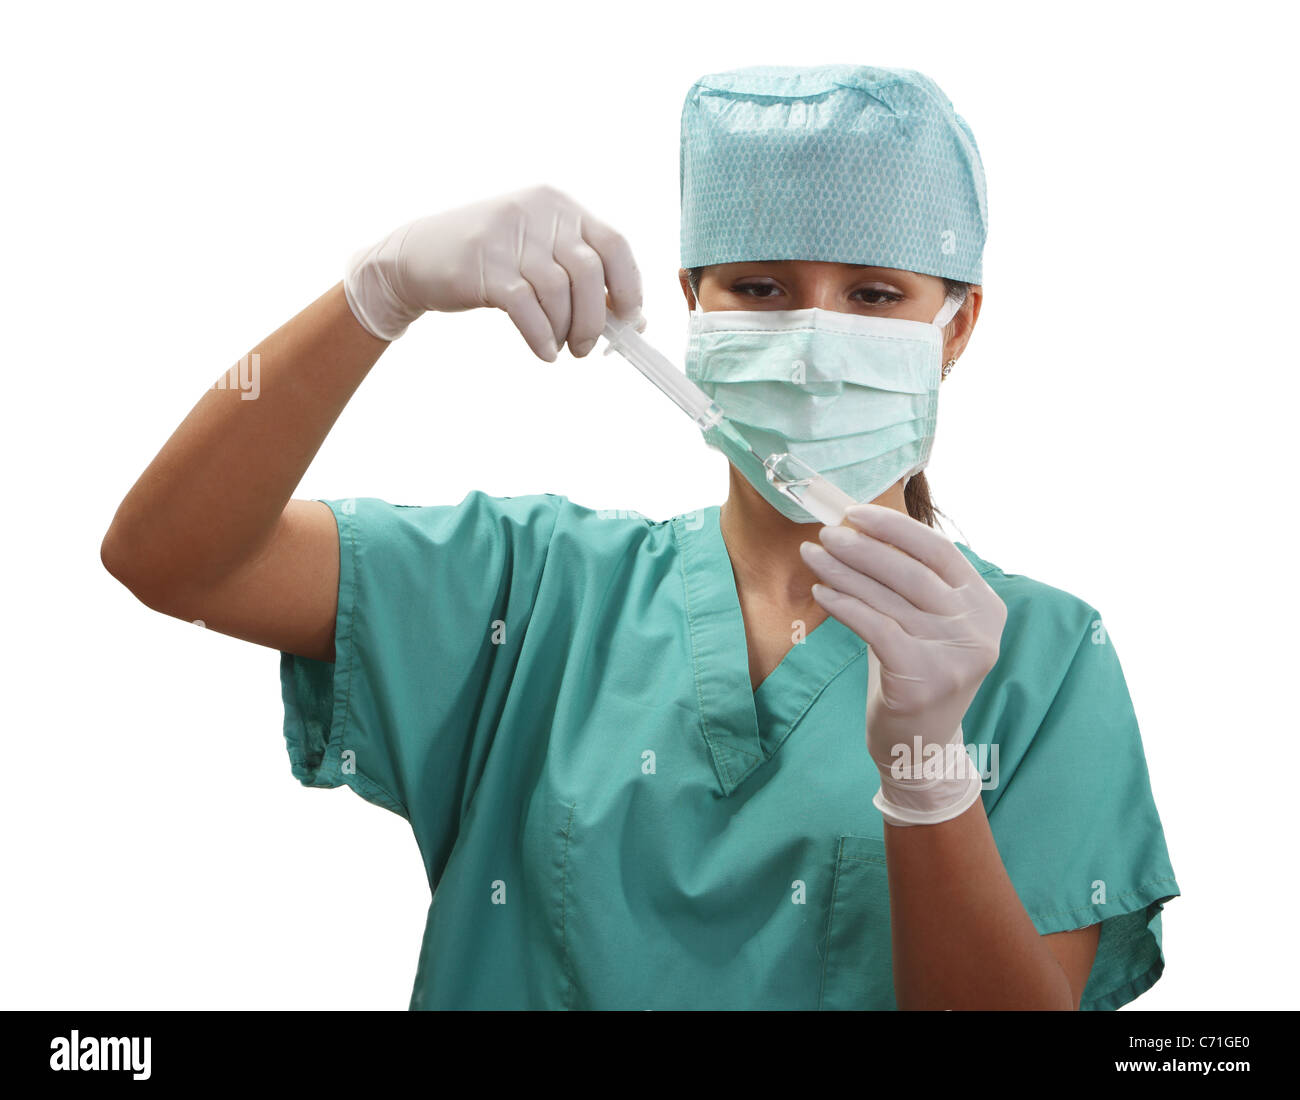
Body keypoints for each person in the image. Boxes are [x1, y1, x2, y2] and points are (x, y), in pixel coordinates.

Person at [101, 64, 1179, 1010]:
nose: (809, 340)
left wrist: (931, 771)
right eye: (759, 287)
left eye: (872, 293)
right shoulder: (529, 595)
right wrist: (376, 294)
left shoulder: (1042, 658)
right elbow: (171, 558)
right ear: (691, 310)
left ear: (957, 325)